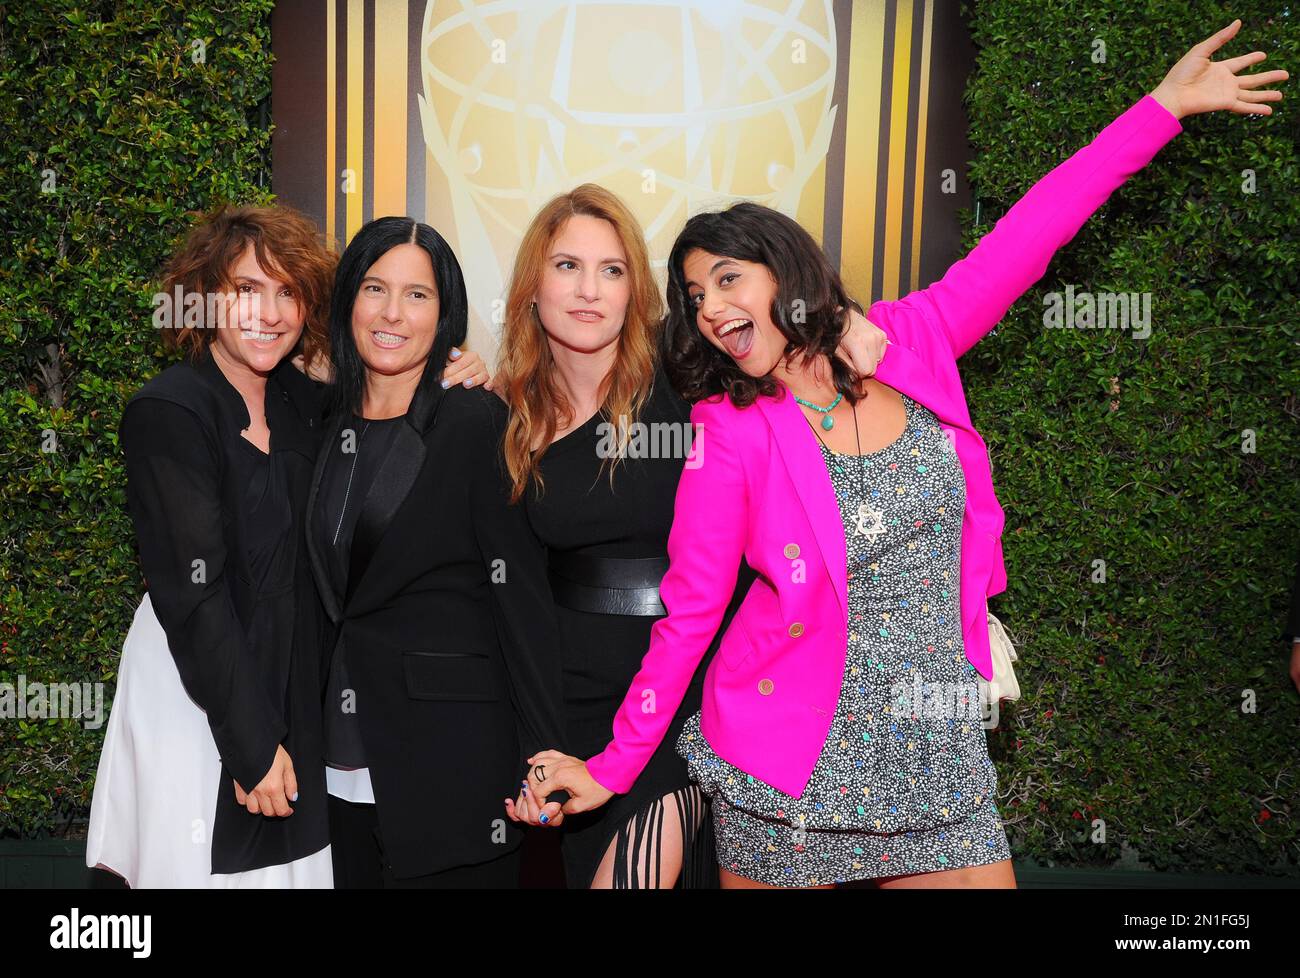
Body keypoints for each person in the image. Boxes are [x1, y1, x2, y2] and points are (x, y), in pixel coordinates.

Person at [524, 20, 1288, 888]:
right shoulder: (727, 431)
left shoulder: (914, 338)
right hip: (792, 763)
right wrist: (614, 767)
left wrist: (1158, 109)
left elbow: (1033, 235)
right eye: (695, 295)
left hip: (936, 744)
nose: (710, 307)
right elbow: (690, 613)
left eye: (729, 278)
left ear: (783, 269)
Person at [497, 184, 888, 887]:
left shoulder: (684, 379)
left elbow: (776, 336)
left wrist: (844, 322)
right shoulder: (509, 414)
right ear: (532, 284)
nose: (589, 290)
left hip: (691, 689)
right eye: (566, 267)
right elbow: (511, 594)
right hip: (573, 693)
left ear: (637, 292)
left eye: (612, 270)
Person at [87, 204, 487, 888]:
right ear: (206, 295)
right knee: (195, 866)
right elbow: (195, 598)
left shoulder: (307, 403)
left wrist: (465, 371)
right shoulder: (170, 411)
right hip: (198, 682)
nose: (267, 313)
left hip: (291, 677)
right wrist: (248, 744)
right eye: (247, 290)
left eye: (288, 294)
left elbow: (387, 395)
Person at [309, 216, 563, 888]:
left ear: (445, 314)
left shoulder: (473, 422)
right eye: (374, 289)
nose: (393, 313)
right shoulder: (323, 423)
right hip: (336, 761)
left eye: (418, 295)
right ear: (348, 303)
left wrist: (544, 758)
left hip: (452, 766)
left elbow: (523, 601)